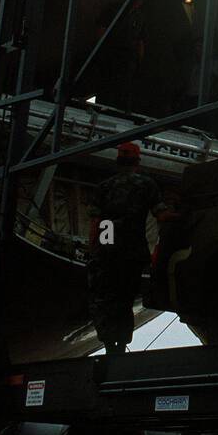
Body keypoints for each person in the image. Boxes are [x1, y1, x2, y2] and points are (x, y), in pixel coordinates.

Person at [87, 141, 165, 352]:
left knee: (105, 298)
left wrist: (92, 249)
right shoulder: (146, 185)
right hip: (132, 250)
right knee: (125, 298)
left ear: (117, 162)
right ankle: (121, 343)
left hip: (107, 246)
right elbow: (161, 215)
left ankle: (109, 343)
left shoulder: (103, 187)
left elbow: (96, 224)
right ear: (137, 163)